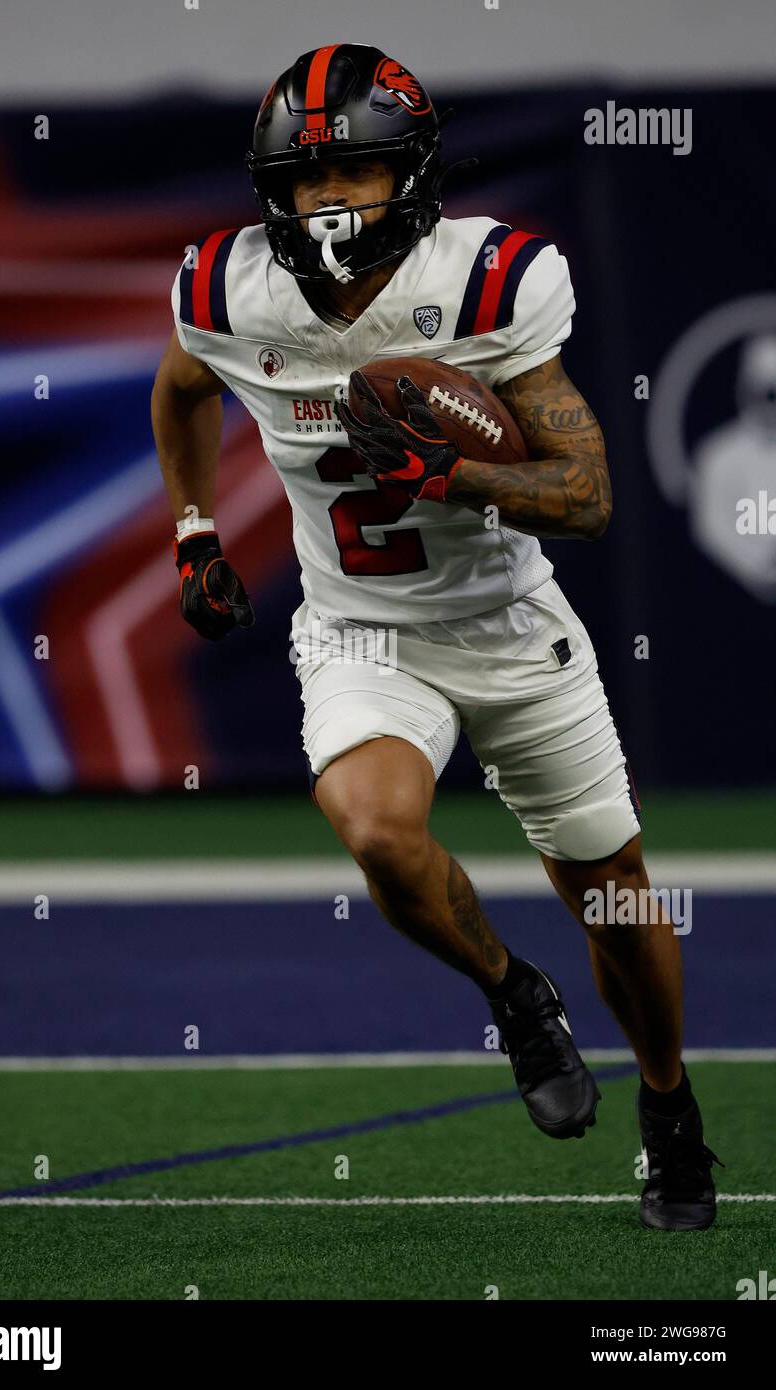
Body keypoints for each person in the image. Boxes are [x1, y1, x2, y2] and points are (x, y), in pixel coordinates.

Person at [151, 43, 722, 1230]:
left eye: (350, 175)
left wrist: (454, 472)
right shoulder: (229, 292)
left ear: (407, 174)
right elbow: (182, 388)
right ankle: (513, 995)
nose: (325, 204)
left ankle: (669, 1113)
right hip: (361, 627)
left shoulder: (486, 282)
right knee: (374, 830)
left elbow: (586, 493)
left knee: (613, 895)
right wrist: (195, 530)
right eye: (304, 182)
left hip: (508, 628)